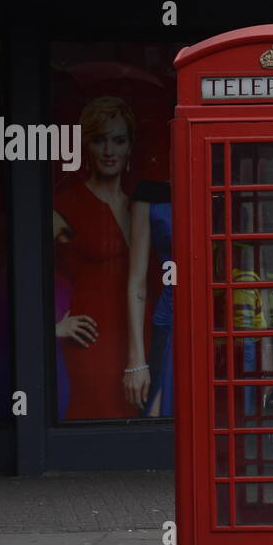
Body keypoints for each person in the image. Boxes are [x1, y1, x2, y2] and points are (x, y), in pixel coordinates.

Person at [53, 96, 138, 420]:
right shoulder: (65, 205)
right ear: (86, 146)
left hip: (139, 336)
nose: (109, 151)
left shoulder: (139, 205)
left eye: (118, 140)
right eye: (99, 140)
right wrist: (52, 326)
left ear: (130, 146)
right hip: (91, 340)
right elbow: (22, 271)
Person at [125, 178, 172, 416]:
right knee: (159, 412)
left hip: (221, 320)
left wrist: (264, 350)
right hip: (172, 323)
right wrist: (136, 362)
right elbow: (137, 281)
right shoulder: (150, 195)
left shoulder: (223, 184)